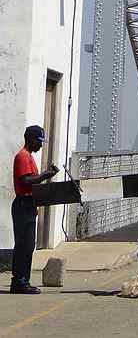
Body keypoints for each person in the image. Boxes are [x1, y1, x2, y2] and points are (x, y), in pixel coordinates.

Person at [10, 126, 58, 294]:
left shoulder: (29, 157)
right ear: (30, 139)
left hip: (28, 205)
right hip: (23, 204)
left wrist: (47, 176)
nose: (40, 146)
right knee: (24, 245)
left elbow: (33, 182)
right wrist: (45, 175)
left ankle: (23, 280)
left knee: (28, 246)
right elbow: (26, 180)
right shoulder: (23, 156)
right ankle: (19, 282)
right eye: (38, 142)